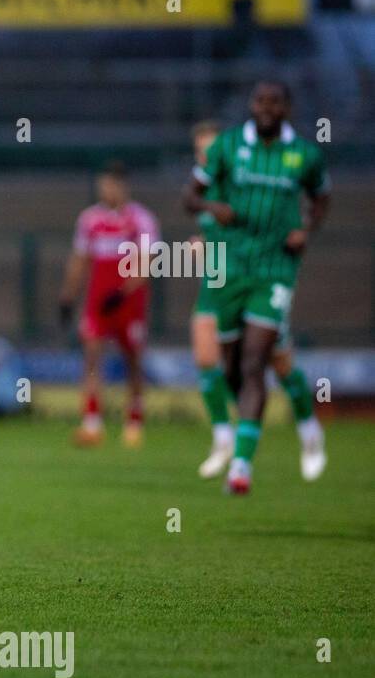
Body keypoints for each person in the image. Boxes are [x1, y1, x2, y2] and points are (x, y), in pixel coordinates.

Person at [182, 81, 330, 494]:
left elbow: (321, 196)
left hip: (273, 273)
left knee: (261, 363)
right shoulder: (220, 171)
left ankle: (259, 449)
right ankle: (230, 437)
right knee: (226, 366)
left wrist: (306, 229)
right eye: (201, 149)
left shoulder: (302, 155)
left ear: (286, 108)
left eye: (274, 102)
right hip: (226, 276)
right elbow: (193, 207)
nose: (206, 154)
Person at [58, 161, 159, 448]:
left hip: (128, 301)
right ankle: (92, 422)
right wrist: (68, 295)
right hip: (98, 300)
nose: (107, 190)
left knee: (133, 361)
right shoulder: (89, 220)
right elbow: (80, 260)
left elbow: (146, 262)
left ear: (123, 186)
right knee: (91, 355)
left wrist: (123, 291)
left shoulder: (140, 219)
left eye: (112, 185)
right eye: (103, 185)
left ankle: (134, 420)